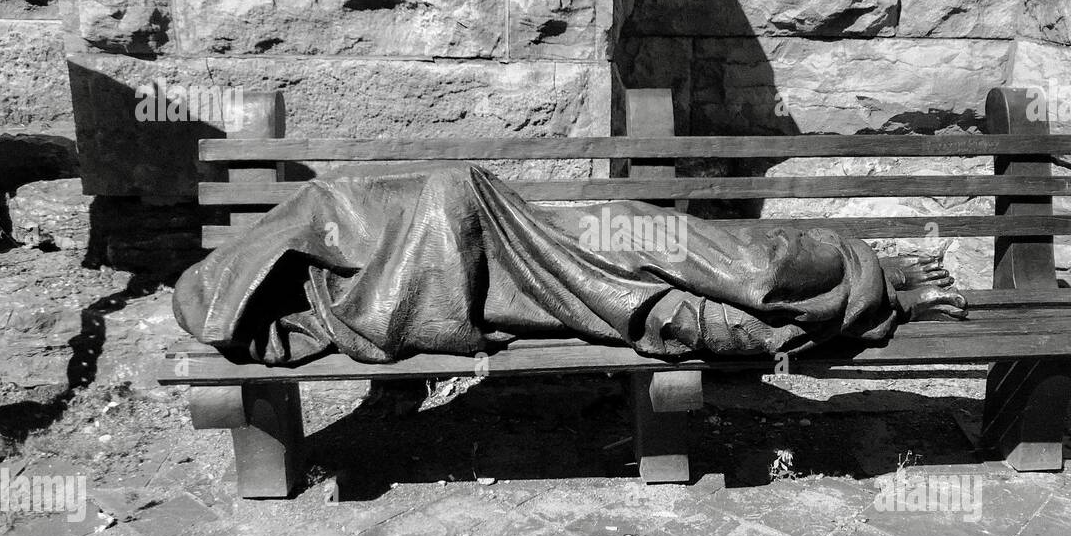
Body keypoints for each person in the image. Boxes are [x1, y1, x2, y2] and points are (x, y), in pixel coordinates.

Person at [174, 165, 966, 367]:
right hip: (533, 293)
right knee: (679, 323)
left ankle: (869, 274)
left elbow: (455, 197)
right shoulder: (337, 303)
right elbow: (412, 317)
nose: (272, 323)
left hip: (555, 237)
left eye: (254, 303)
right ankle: (880, 299)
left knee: (746, 264)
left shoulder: (332, 209)